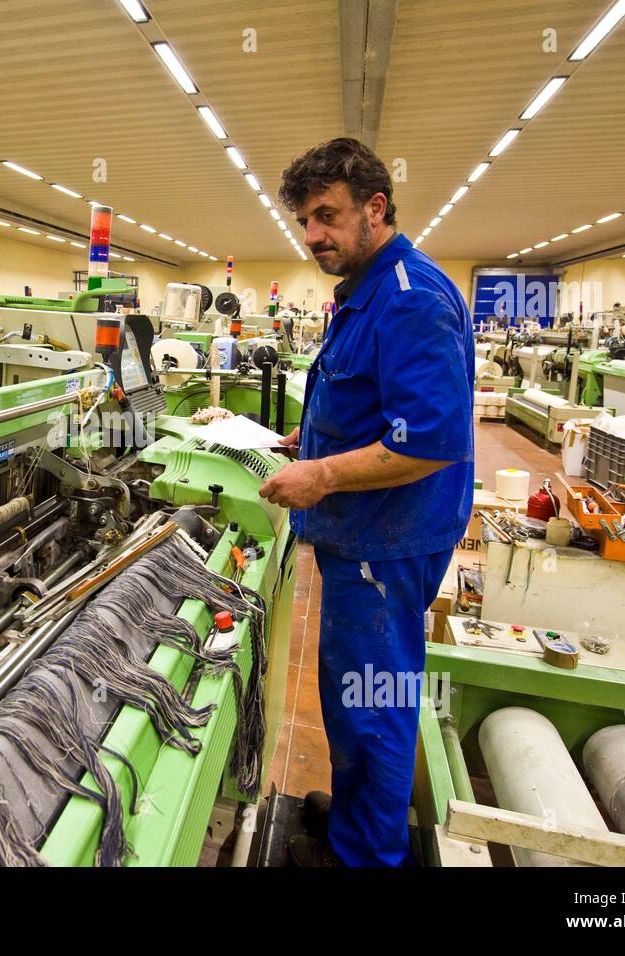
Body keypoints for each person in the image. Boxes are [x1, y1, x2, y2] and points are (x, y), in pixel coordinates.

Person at [258, 138, 474, 867]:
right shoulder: (367, 289)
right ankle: (357, 822)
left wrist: (321, 477)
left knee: (372, 702)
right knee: (353, 699)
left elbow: (428, 442)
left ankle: (367, 857)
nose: (313, 235)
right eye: (304, 221)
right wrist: (311, 438)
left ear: (375, 208)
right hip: (368, 533)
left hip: (389, 540)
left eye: (327, 215)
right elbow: (378, 405)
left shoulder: (409, 299)